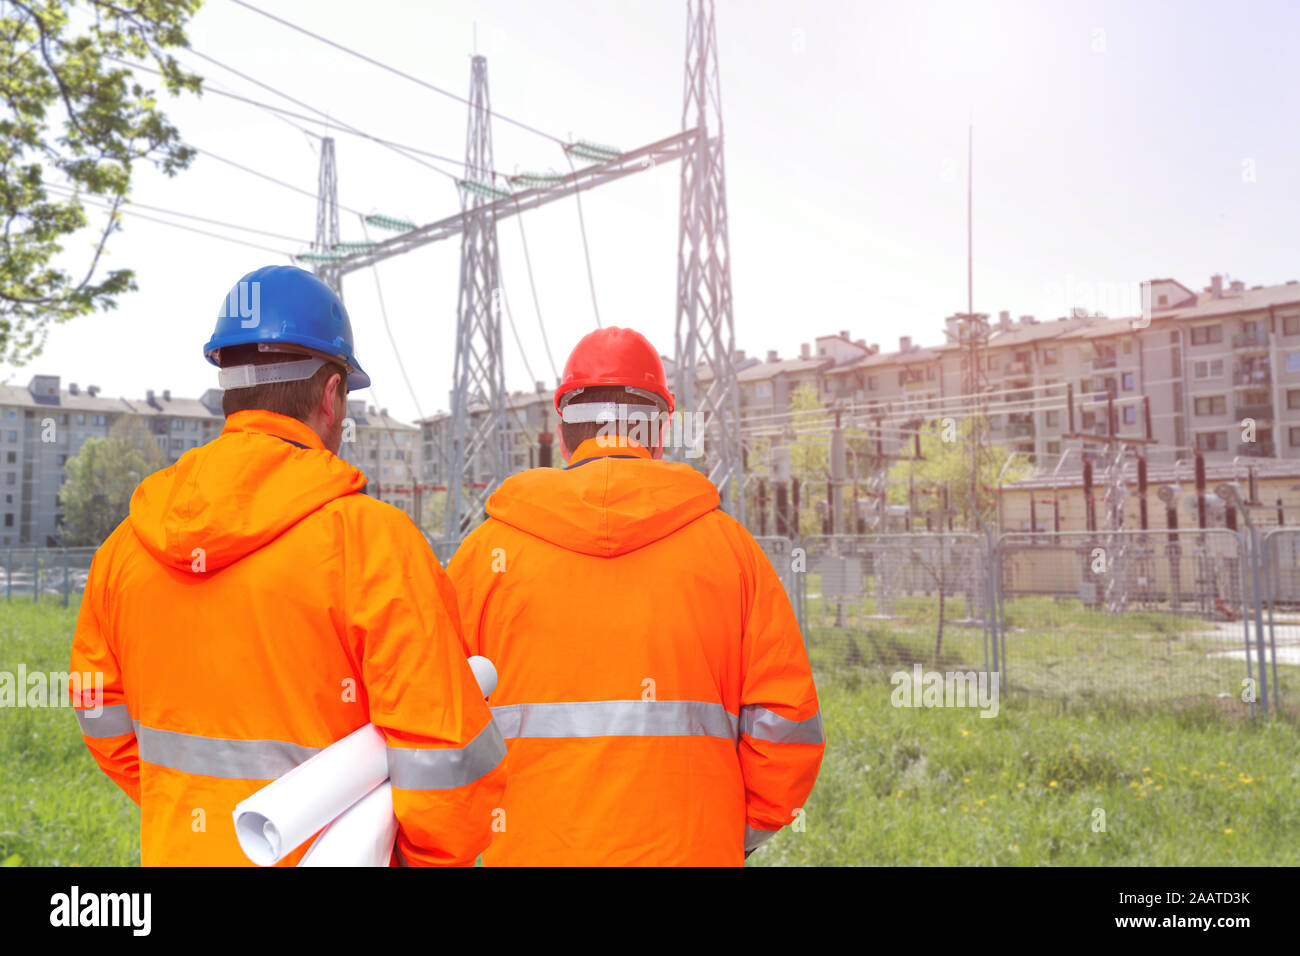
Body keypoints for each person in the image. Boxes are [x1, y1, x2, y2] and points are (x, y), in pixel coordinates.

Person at [69, 265, 506, 866]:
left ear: (229, 386)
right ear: (330, 395)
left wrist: (196, 818)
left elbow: (100, 713)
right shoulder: (373, 545)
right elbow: (445, 761)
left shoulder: (125, 550)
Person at [447, 326, 823, 865]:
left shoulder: (486, 555)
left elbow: (434, 729)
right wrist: (727, 832)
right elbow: (788, 729)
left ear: (562, 430)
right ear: (661, 429)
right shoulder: (730, 551)